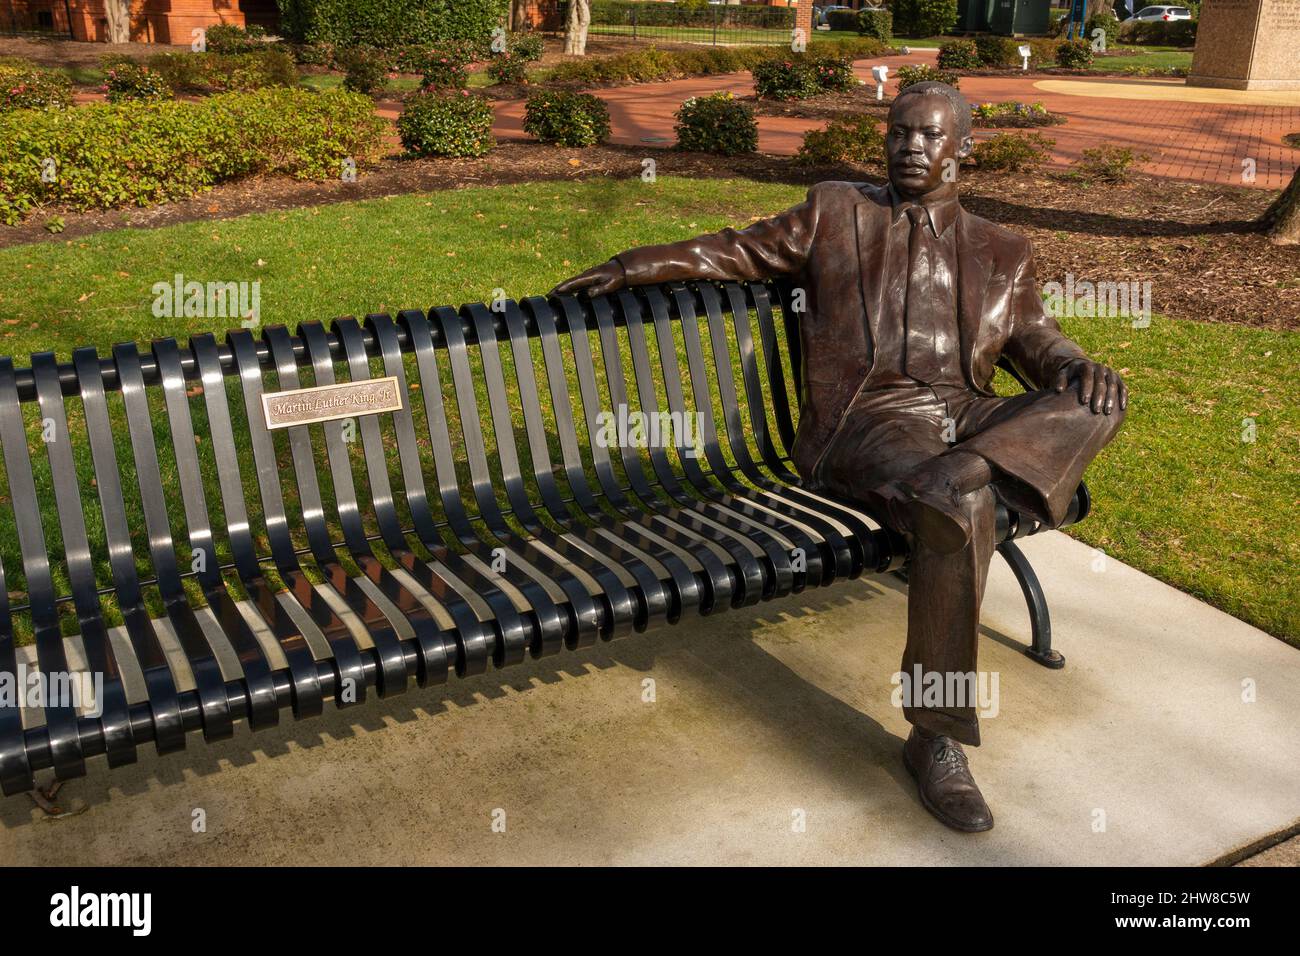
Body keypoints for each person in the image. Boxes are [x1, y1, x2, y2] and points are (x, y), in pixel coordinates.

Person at [551, 82, 1127, 832]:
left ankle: (965, 468)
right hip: (873, 422)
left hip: (966, 413)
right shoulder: (835, 212)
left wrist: (1076, 366)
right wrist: (635, 264)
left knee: (1095, 402)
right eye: (899, 133)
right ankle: (937, 737)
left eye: (928, 136)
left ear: (962, 148)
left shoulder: (1003, 248)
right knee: (961, 508)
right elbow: (734, 250)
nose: (909, 148)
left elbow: (1035, 338)